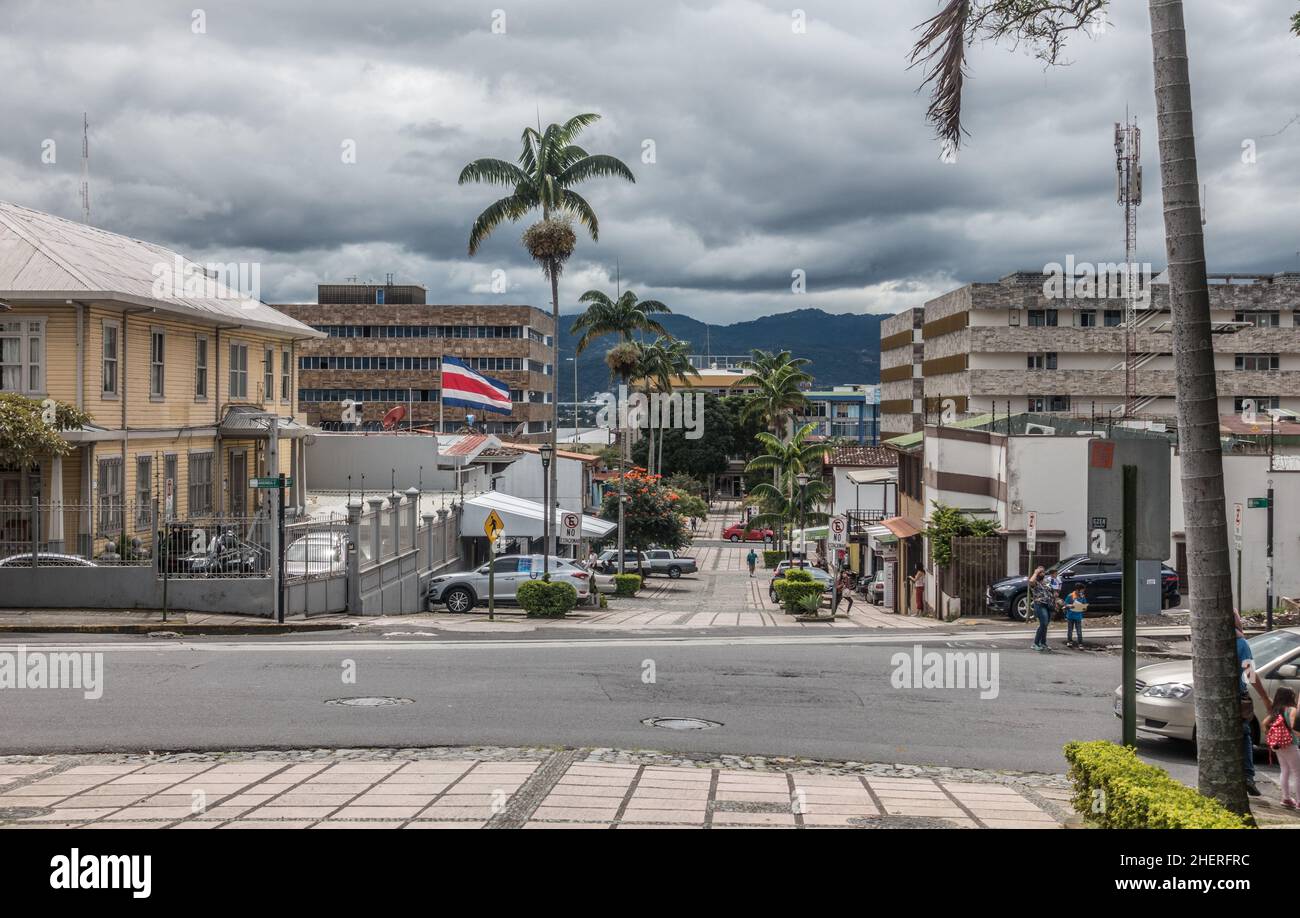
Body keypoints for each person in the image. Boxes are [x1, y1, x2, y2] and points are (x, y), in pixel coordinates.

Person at [1236, 611, 1262, 797]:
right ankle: (1248, 775)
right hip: (1238, 696)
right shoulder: (1241, 643)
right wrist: (1266, 698)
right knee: (1245, 735)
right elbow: (1250, 674)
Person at [1263, 686, 1300, 808]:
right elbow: (1295, 728)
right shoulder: (1292, 710)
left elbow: (1264, 724)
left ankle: (1286, 798)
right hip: (1290, 744)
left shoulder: (1275, 710)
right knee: (1297, 773)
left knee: (1285, 770)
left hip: (1279, 745)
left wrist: (1273, 736)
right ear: (1290, 697)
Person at [1029, 565, 1055, 652]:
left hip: (1048, 605)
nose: (1042, 573)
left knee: (1045, 625)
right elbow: (1031, 581)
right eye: (1040, 572)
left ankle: (1043, 643)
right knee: (1043, 623)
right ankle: (1035, 643)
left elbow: (1051, 590)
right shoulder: (1035, 581)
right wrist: (1036, 572)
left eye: (1043, 572)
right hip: (1040, 605)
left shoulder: (1046, 581)